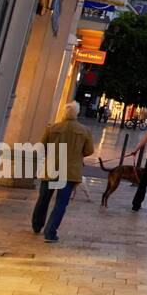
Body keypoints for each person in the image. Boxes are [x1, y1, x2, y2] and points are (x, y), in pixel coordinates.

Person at [31, 102, 94, 243]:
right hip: (69, 172)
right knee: (61, 203)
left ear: (64, 113)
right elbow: (89, 150)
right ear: (77, 113)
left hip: (51, 169)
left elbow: (42, 146)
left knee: (43, 199)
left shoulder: (52, 128)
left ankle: (37, 225)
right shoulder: (84, 131)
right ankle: (50, 232)